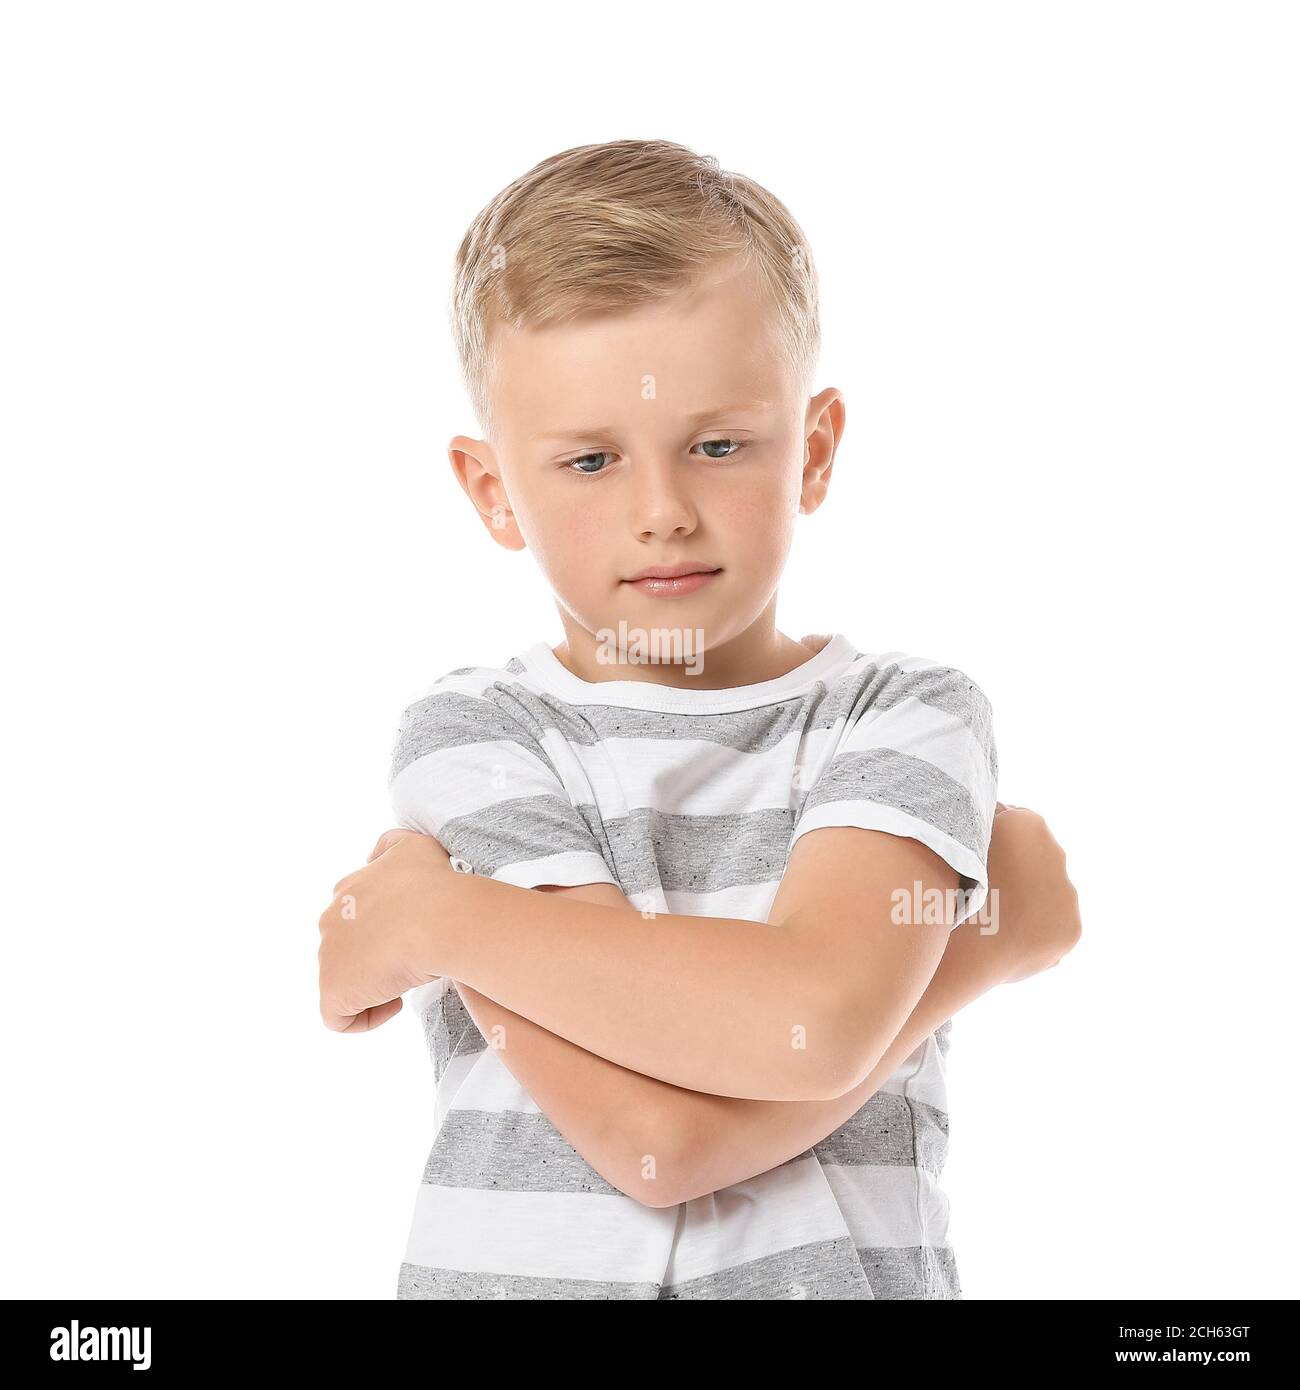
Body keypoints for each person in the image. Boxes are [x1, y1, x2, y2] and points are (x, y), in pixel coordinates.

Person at [317, 138, 1082, 1300]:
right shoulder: (476, 736)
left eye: (718, 445)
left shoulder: (905, 717)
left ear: (813, 450)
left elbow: (811, 1022)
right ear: (492, 492)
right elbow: (652, 1139)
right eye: (588, 460)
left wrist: (441, 920)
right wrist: (980, 941)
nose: (662, 512)